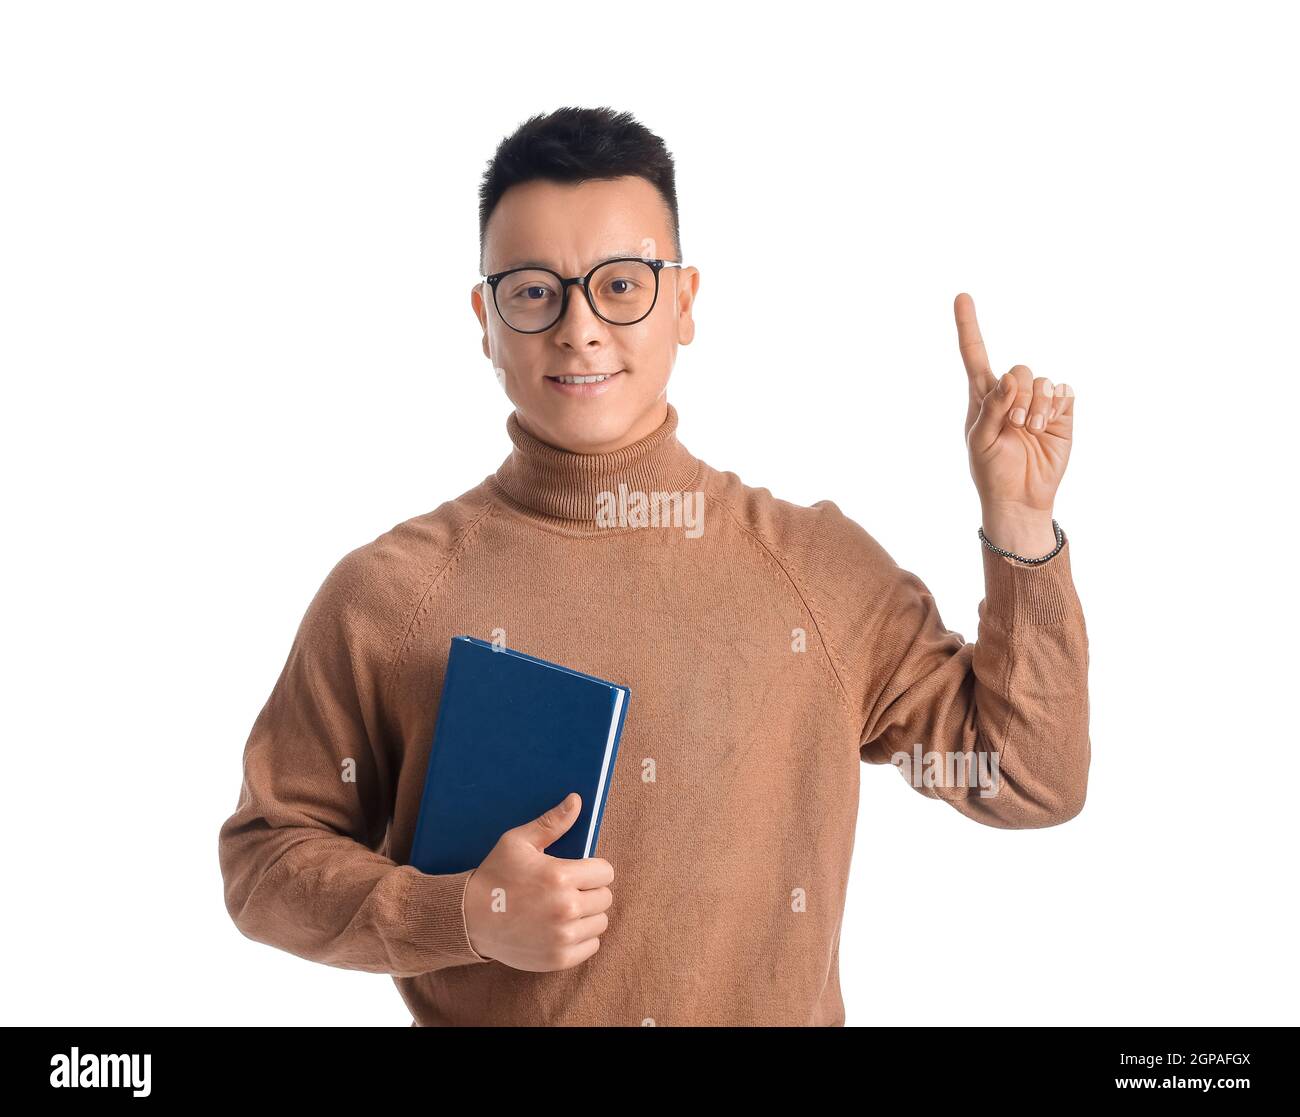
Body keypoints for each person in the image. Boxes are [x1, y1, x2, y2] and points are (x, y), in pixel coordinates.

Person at [217, 105, 1090, 1026]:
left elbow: (1029, 777)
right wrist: (464, 913)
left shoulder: (817, 572)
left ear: (684, 303)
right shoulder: (387, 595)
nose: (581, 329)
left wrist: (1021, 527)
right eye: (532, 291)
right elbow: (265, 863)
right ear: (485, 320)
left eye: (622, 284)